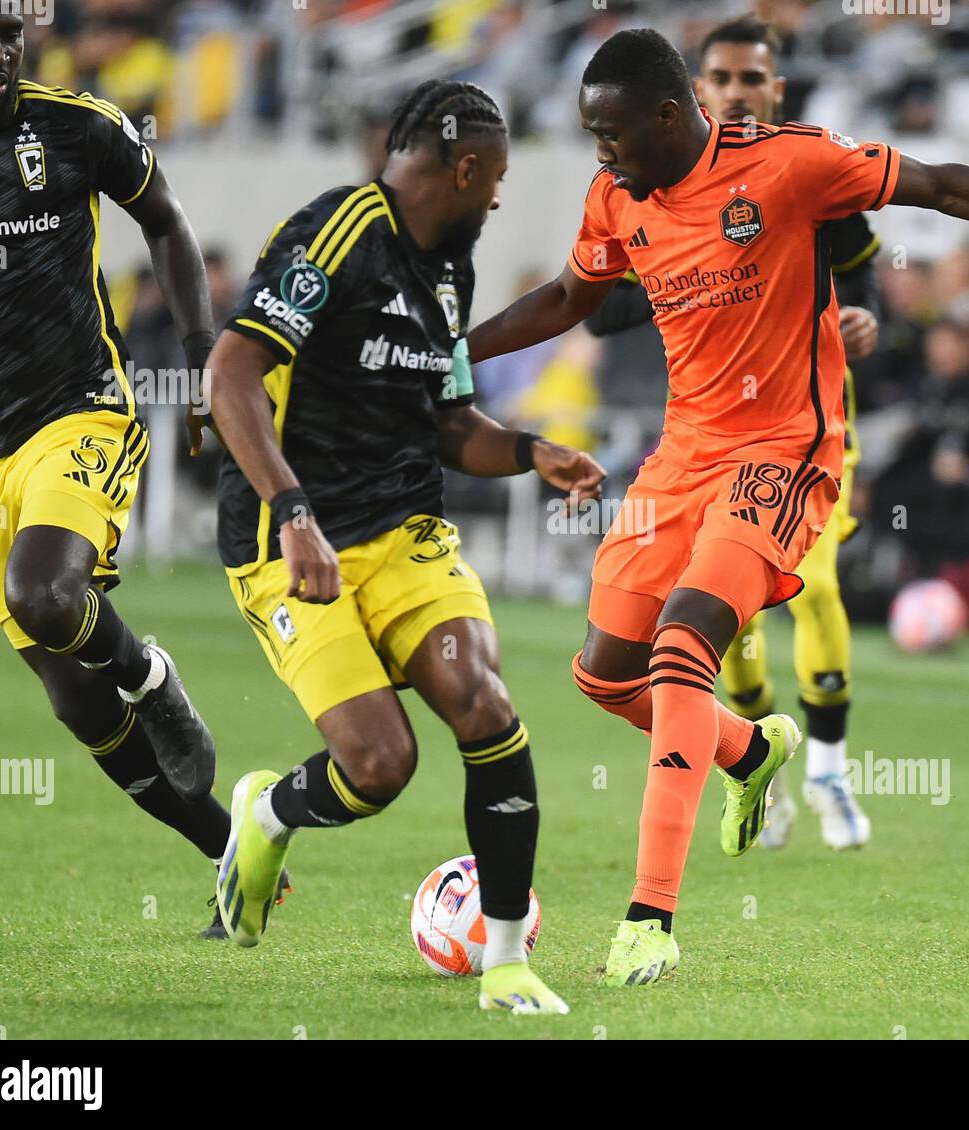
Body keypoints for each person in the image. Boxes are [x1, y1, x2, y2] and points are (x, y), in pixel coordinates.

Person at [465, 27, 969, 986]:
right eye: (593, 137)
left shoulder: (788, 164)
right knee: (602, 672)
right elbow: (564, 297)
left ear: (671, 116)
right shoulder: (616, 197)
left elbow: (944, 183)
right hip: (682, 459)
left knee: (683, 651)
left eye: (612, 134)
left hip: (785, 454)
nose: (601, 153)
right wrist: (455, 358)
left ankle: (649, 920)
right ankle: (751, 752)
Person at [203, 80, 604, 1016]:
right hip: (287, 538)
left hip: (406, 533)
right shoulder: (336, 235)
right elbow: (230, 373)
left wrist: (529, 450)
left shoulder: (450, 273)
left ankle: (505, 960)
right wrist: (295, 512)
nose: (500, 198)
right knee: (380, 767)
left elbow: (448, 422)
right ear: (463, 168)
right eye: (496, 178)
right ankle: (266, 813)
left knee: (484, 704)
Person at [585, 15, 878, 850]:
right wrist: (693, 269)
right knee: (716, 633)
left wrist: (864, 323)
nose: (740, 91)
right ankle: (753, 759)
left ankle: (828, 771)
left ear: (775, 89)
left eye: (755, 79)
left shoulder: (799, 166)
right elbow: (599, 309)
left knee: (811, 589)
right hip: (704, 434)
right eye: (725, 78)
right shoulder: (647, 188)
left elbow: (862, 270)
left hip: (800, 431)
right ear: (692, 96)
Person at [0, 8, 224, 900]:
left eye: (7, 35)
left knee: (46, 594)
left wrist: (200, 361)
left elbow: (169, 223)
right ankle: (227, 846)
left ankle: (153, 679)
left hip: (82, 412)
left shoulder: (79, 125)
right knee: (72, 697)